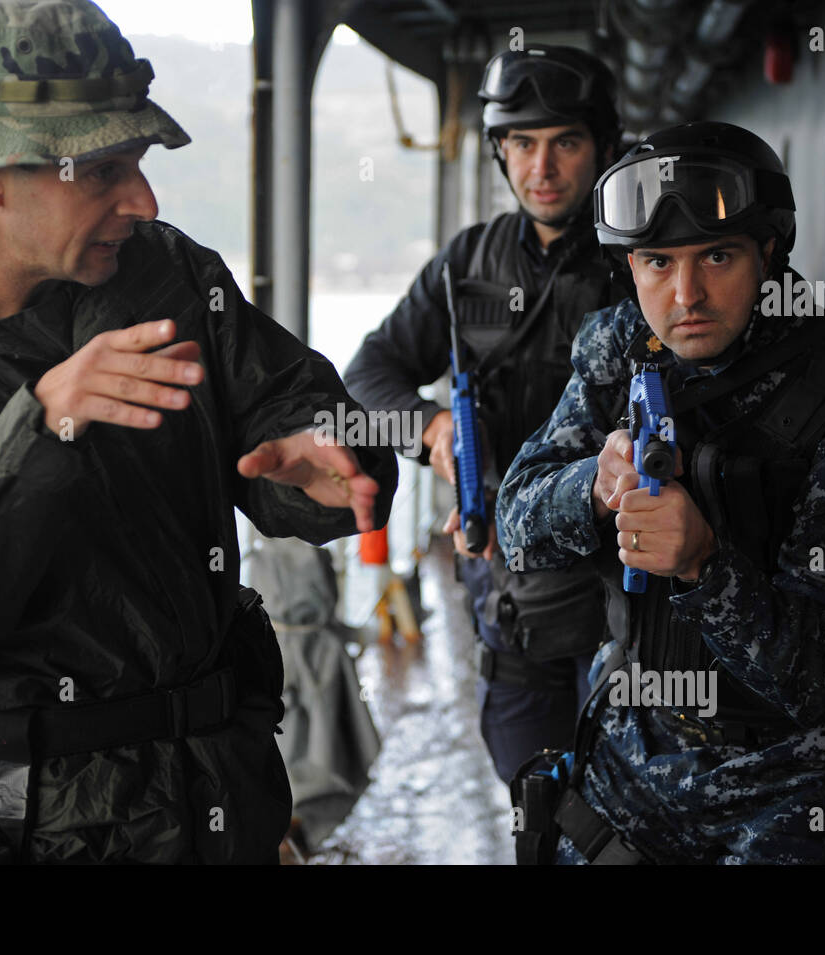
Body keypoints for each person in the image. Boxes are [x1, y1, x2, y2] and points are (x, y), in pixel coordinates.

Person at [0, 0, 396, 865]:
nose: (142, 199)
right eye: (101, 169)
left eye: (136, 162)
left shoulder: (169, 275)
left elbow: (293, 414)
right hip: (37, 829)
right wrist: (43, 426)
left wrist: (325, 464)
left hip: (229, 797)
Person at [497, 121, 825, 864]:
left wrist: (706, 565)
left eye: (718, 257)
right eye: (657, 262)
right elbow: (514, 522)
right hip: (630, 750)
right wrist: (591, 487)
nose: (685, 294)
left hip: (792, 779)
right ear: (629, 266)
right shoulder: (618, 353)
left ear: (767, 253)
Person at [344, 44, 626, 784]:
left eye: (565, 142)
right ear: (500, 153)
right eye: (523, 144)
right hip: (509, 580)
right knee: (530, 783)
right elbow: (369, 375)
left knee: (633, 793)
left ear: (601, 147)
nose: (543, 168)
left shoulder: (644, 258)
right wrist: (430, 427)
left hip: (628, 579)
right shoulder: (467, 263)